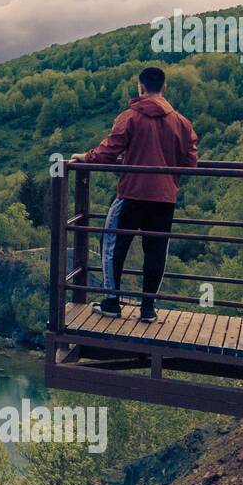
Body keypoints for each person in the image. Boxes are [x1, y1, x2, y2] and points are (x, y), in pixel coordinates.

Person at [70, 66, 198, 322]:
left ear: (140, 87)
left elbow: (108, 152)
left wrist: (86, 157)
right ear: (164, 88)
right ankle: (148, 309)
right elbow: (190, 161)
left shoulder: (129, 117)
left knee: (113, 245)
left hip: (132, 193)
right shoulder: (181, 123)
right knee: (156, 251)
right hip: (164, 197)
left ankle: (111, 302)